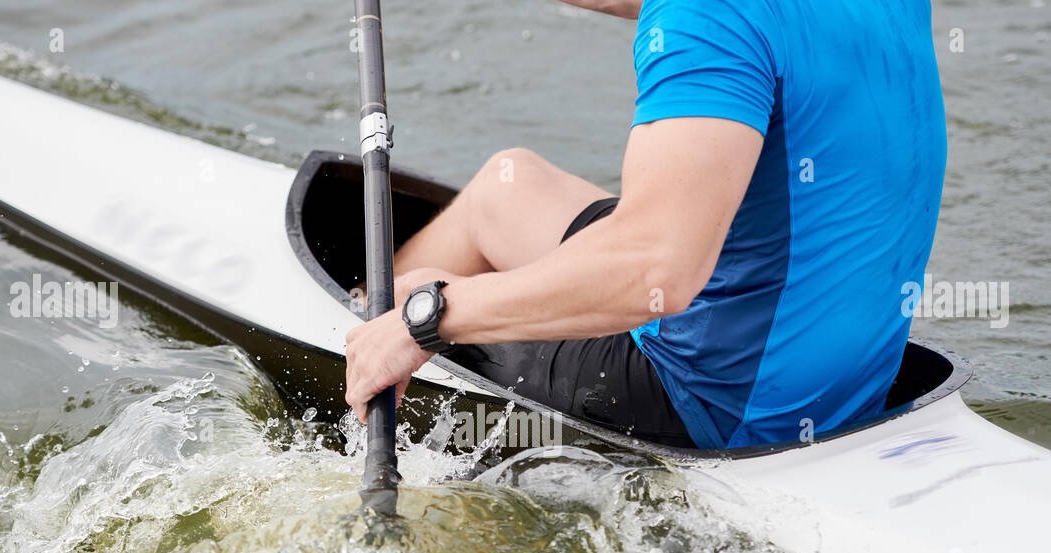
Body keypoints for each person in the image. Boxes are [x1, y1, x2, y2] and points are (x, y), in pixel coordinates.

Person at [344, 0, 947, 449]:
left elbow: (655, 269)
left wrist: (427, 319)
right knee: (509, 183)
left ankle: (366, 339)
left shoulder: (711, 13)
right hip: (849, 377)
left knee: (417, 290)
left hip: (715, 405)